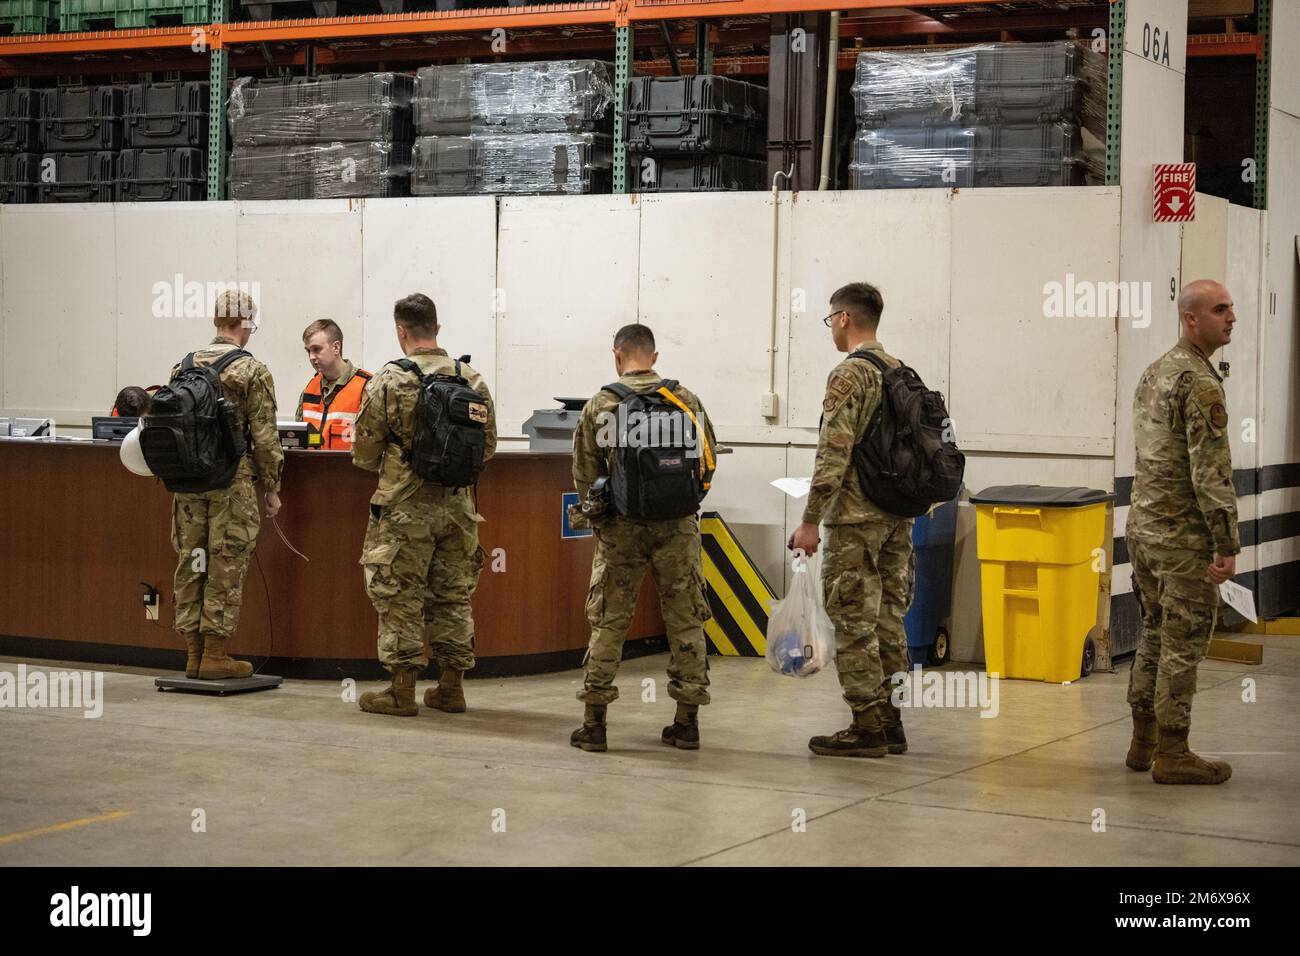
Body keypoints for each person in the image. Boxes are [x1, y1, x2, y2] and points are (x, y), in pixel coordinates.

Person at [568, 323, 717, 753]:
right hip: (678, 527)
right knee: (685, 619)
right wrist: (683, 504)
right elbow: (708, 461)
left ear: (617, 355)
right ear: (654, 356)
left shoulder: (602, 404)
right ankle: (687, 722)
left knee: (609, 620)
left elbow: (585, 472)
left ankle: (594, 723)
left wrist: (603, 515)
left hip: (621, 529)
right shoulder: (684, 399)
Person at [350, 293, 496, 717]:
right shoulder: (470, 378)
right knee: (452, 596)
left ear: (401, 331)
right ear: (438, 327)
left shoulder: (389, 379)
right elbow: (486, 449)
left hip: (404, 509)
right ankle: (451, 688)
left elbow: (363, 453)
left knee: (400, 596)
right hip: (458, 509)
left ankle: (400, 691)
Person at [788, 282, 914, 759]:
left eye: (830, 321)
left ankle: (866, 726)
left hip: (856, 520)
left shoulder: (850, 376)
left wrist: (810, 521)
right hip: (898, 517)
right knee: (888, 621)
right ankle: (892, 721)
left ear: (843, 318)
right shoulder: (899, 371)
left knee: (854, 621)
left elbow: (833, 454)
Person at [1125, 279, 1239, 785]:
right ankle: (1173, 752)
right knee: (1183, 640)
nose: (1231, 317)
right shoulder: (1199, 383)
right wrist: (1226, 543)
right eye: (1220, 309)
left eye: (1231, 308)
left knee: (1153, 631)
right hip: (1182, 538)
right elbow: (1209, 473)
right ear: (1191, 318)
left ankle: (1142, 740)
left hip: (1144, 529)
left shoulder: (1156, 371)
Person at [170, 289, 283, 679]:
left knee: (191, 561)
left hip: (187, 485)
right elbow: (265, 437)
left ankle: (192, 654)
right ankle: (216, 655)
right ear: (247, 324)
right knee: (225, 563)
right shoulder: (252, 370)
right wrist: (272, 487)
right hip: (230, 484)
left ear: (216, 321)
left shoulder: (182, 367)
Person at [295, 319, 371, 450]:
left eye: (317, 349)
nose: (311, 357)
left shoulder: (366, 386)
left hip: (350, 469)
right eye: (308, 351)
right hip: (312, 468)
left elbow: (376, 443)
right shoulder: (310, 388)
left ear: (336, 347)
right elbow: (298, 439)